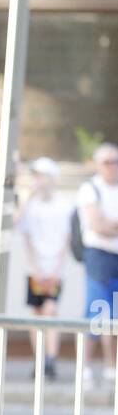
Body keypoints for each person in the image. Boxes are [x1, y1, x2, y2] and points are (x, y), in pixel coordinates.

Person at [16, 157, 69, 382]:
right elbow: (23, 233)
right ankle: (39, 359)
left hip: (55, 268)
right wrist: (35, 268)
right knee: (37, 313)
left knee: (51, 310)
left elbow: (66, 240)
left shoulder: (64, 205)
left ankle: (51, 360)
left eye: (42, 176)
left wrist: (56, 269)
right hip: (35, 269)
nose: (38, 180)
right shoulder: (31, 205)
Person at [76, 141, 118, 390]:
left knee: (115, 313)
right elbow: (97, 225)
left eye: (116, 162)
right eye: (107, 162)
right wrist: (108, 225)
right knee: (97, 311)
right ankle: (87, 367)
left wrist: (109, 224)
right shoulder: (90, 188)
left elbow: (106, 224)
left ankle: (112, 367)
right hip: (99, 256)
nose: (112, 167)